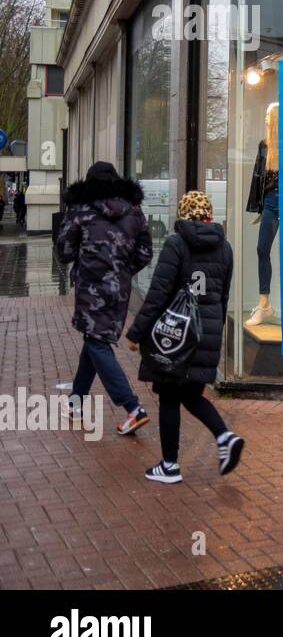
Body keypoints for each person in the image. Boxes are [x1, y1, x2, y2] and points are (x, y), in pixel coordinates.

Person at [125, 190, 245, 484]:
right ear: (208, 213)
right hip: (206, 332)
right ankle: (224, 436)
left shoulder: (176, 243)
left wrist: (137, 332)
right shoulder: (225, 248)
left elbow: (158, 294)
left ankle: (169, 466)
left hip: (176, 334)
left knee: (169, 395)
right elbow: (222, 297)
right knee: (191, 394)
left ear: (183, 213)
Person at [55, 162, 153, 435]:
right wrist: (121, 271)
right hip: (119, 290)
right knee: (94, 339)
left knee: (97, 344)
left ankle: (132, 408)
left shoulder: (81, 211)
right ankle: (75, 402)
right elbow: (145, 252)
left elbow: (63, 251)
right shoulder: (133, 211)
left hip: (90, 288)